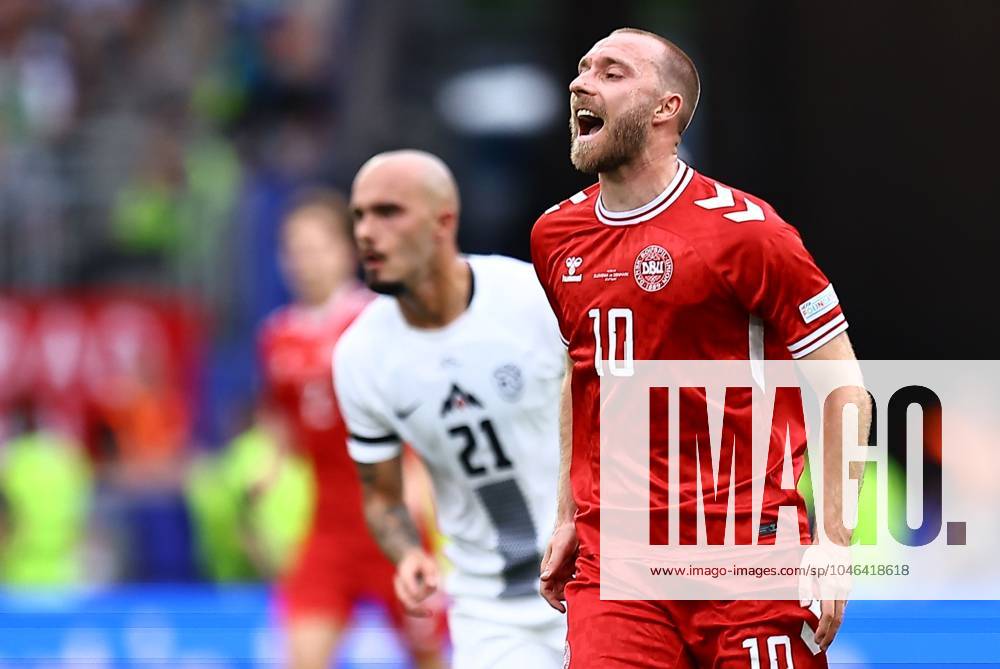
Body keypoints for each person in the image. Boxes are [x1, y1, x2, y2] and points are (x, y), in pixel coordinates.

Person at [530, 28, 871, 668]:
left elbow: (843, 387)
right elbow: (583, 374)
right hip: (618, 566)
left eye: (611, 73)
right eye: (582, 70)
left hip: (750, 561)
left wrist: (834, 538)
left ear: (666, 109)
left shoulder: (749, 234)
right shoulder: (556, 236)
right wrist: (569, 514)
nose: (581, 83)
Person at [334, 150, 567, 668]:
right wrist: (407, 552)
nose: (367, 232)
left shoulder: (532, 298)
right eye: (359, 216)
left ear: (444, 221)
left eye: (388, 212)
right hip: (493, 613)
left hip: (598, 581)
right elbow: (382, 497)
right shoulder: (360, 355)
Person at [257, 190, 444, 669]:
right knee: (301, 655)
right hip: (328, 526)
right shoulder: (278, 335)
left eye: (316, 248)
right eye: (295, 251)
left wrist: (421, 479)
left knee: (426, 653)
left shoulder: (378, 320)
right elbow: (286, 418)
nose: (305, 263)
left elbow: (419, 407)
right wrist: (272, 467)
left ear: (346, 252)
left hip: (393, 520)